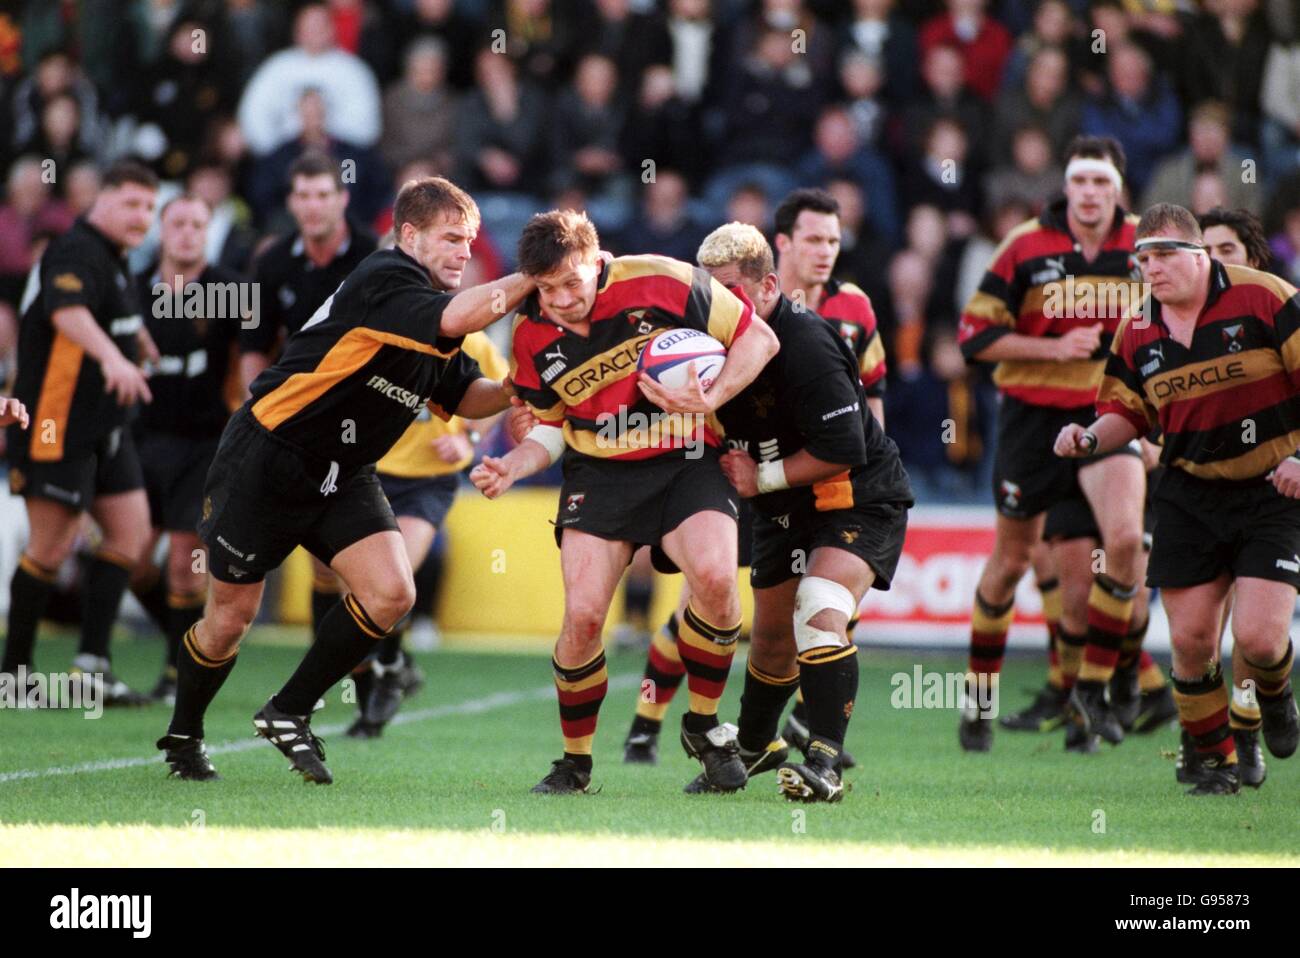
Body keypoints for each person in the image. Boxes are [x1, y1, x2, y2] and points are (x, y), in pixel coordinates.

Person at [155, 177, 530, 783]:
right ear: (409, 236)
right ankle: (184, 735)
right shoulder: (386, 277)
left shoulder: (436, 310)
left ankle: (289, 710)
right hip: (270, 456)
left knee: (391, 593)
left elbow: (469, 395)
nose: (465, 251)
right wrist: (535, 274)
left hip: (343, 470)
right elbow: (463, 313)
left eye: (472, 240)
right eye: (452, 238)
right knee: (229, 619)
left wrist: (520, 387)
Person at [470, 209, 779, 795]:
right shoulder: (532, 332)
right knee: (585, 618)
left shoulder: (663, 278)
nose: (561, 299)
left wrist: (709, 396)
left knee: (716, 581)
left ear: (598, 260)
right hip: (601, 474)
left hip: (686, 460)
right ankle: (575, 763)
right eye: (547, 288)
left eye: (572, 282)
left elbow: (759, 339)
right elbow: (549, 428)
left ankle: (704, 726)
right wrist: (512, 464)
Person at [1057, 202, 1300, 795]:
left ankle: (1274, 691)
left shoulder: (1267, 296)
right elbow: (1125, 411)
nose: (1151, 269)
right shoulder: (1137, 329)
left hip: (1273, 485)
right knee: (1191, 643)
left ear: (1200, 254)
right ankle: (1212, 761)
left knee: (1261, 638)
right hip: (1190, 491)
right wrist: (1090, 436)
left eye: (1164, 255)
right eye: (1143, 259)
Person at [696, 221, 913, 801]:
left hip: (858, 497)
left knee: (818, 609)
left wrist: (760, 475)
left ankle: (824, 761)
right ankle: (756, 744)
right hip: (782, 507)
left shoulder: (809, 344)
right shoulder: (704, 343)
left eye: (732, 294)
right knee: (767, 640)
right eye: (710, 296)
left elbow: (848, 448)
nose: (720, 309)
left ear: (769, 287)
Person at [957, 135, 1148, 753]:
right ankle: (978, 703)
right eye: (1080, 180)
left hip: (1107, 416)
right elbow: (974, 338)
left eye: (1101, 181)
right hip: (1032, 422)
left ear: (1118, 187)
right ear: (1065, 186)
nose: (1090, 192)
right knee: (1013, 562)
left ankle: (1089, 700)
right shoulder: (1026, 246)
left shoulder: (1146, 247)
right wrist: (1052, 348)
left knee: (1121, 545)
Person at [1, 161, 160, 705]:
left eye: (149, 207)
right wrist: (114, 358)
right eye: (132, 204)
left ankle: (91, 668)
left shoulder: (115, 257)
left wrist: (136, 339)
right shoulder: (73, 250)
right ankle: (14, 677)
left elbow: (107, 311)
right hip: (53, 422)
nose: (142, 217)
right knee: (51, 546)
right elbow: (68, 314)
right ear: (102, 200)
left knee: (130, 536)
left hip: (103, 426)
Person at [341, 327, 509, 739]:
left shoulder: (471, 339)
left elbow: (504, 393)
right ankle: (385, 677)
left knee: (391, 580)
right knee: (358, 594)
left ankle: (385, 678)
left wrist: (468, 438)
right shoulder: (375, 329)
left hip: (426, 483)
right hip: (368, 472)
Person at [240, 150, 377, 644]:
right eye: (304, 195)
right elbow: (254, 347)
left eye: (323, 194)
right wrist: (256, 411)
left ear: (342, 199)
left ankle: (371, 665)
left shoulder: (371, 256)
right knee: (321, 564)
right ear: (291, 203)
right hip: (293, 421)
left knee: (356, 566)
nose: (314, 205)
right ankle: (336, 675)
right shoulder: (272, 263)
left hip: (361, 420)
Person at [131, 195, 246, 704]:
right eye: (178, 223)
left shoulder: (231, 291)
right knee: (127, 562)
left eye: (198, 224)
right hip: (142, 440)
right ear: (161, 229)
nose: (187, 233)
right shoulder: (133, 291)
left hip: (205, 442)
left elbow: (258, 352)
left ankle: (179, 673)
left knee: (185, 561)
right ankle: (183, 641)